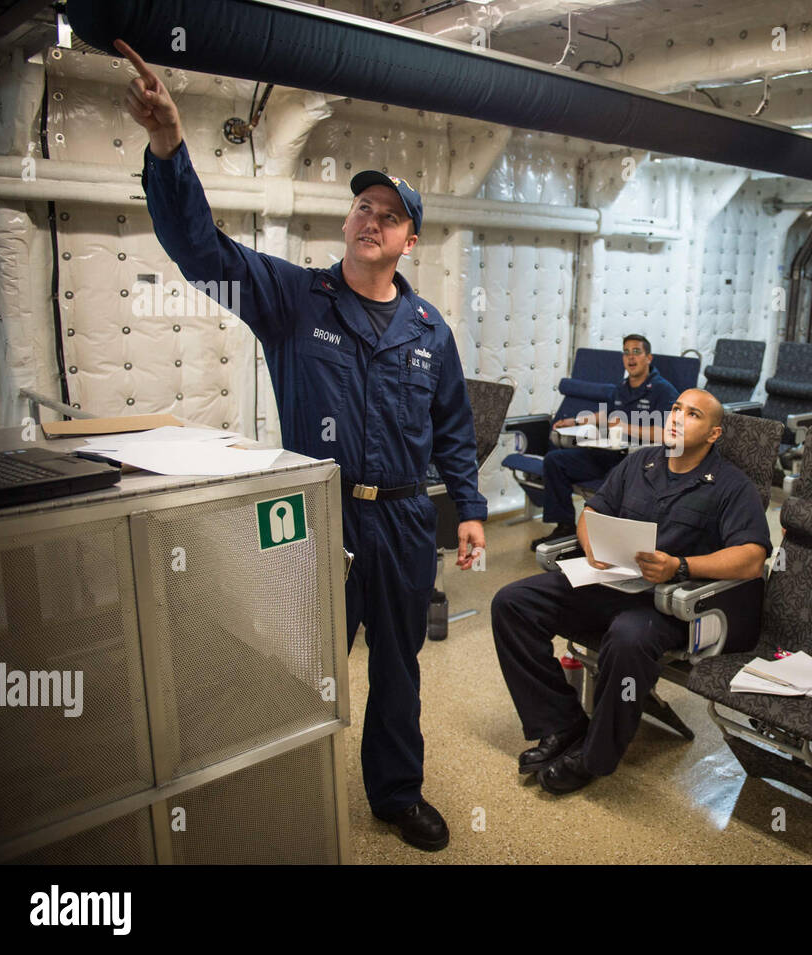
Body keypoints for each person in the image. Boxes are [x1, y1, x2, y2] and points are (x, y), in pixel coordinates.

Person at [117, 40, 485, 851]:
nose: (370, 220)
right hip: (318, 515)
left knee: (398, 668)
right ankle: (281, 783)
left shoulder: (430, 331)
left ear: (408, 241)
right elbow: (200, 252)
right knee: (294, 665)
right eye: (362, 208)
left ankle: (395, 793)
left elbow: (454, 429)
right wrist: (169, 149)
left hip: (400, 523)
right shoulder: (292, 298)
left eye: (389, 215)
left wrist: (469, 511)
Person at [493, 389, 770, 794]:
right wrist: (591, 545)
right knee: (512, 603)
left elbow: (751, 557)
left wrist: (681, 565)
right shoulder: (642, 461)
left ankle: (594, 756)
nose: (677, 418)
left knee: (627, 637)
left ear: (713, 434)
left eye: (692, 414)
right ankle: (563, 724)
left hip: (669, 603)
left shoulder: (730, 485)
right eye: (676, 409)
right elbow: (592, 511)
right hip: (610, 582)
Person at [530, 334, 679, 549]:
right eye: (626, 352)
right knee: (555, 461)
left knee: (615, 479)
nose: (631, 357)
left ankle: (600, 540)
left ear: (648, 357)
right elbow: (606, 415)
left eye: (637, 351)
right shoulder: (621, 387)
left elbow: (666, 433)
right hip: (608, 452)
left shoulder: (663, 390)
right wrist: (575, 420)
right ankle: (564, 528)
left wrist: (625, 426)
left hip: (637, 460)